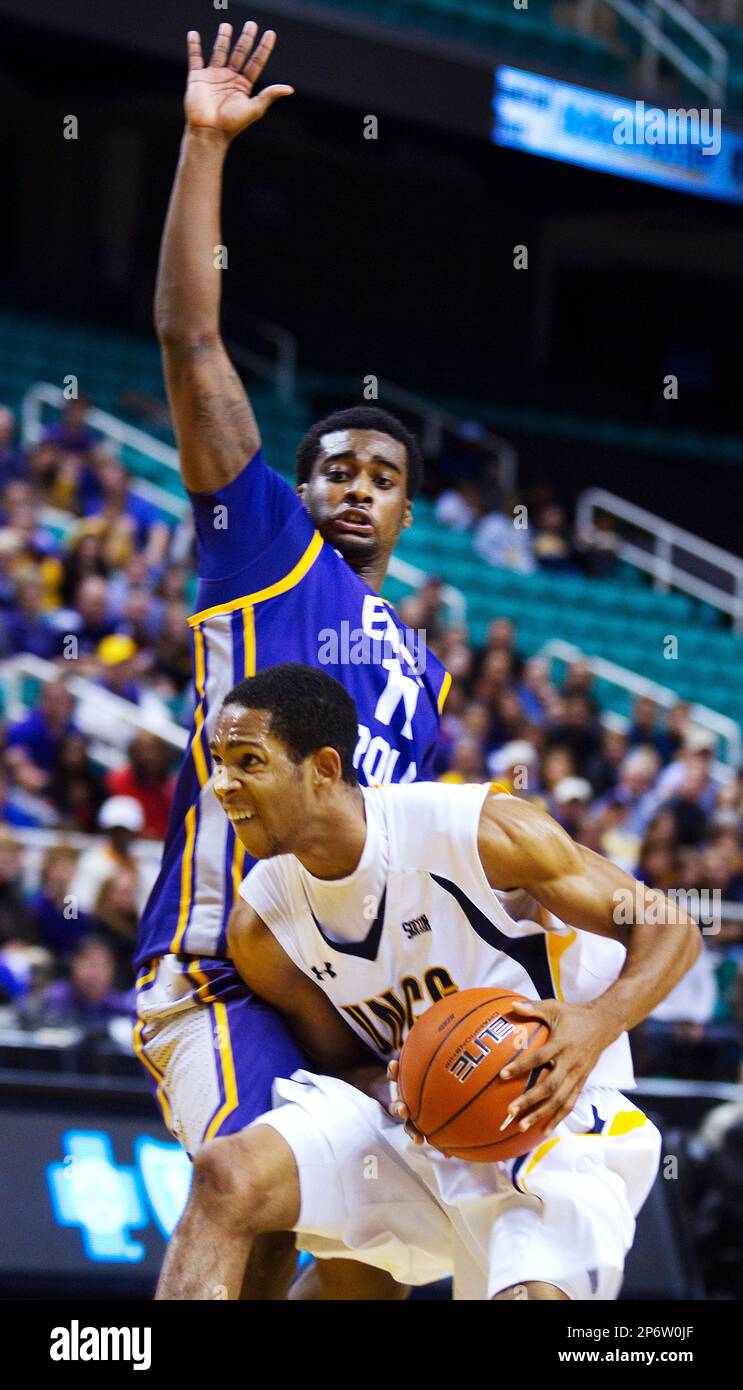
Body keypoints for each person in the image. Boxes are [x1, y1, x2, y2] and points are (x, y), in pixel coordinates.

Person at [133, 20, 450, 1302]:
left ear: (410, 513)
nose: (356, 490)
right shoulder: (265, 547)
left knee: (307, 1255)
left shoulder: (420, 670)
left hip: (341, 988)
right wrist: (205, 144)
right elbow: (191, 344)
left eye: (383, 477)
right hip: (220, 963)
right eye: (336, 470)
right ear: (295, 485)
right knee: (237, 1197)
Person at [152, 664, 700, 1301]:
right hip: (422, 1127)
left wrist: (599, 1020)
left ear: (325, 769)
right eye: (218, 762)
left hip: (553, 1115)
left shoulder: (473, 830)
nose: (223, 785)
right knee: (228, 1174)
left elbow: (669, 924)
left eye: (248, 761)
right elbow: (347, 1067)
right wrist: (393, 1086)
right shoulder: (263, 926)